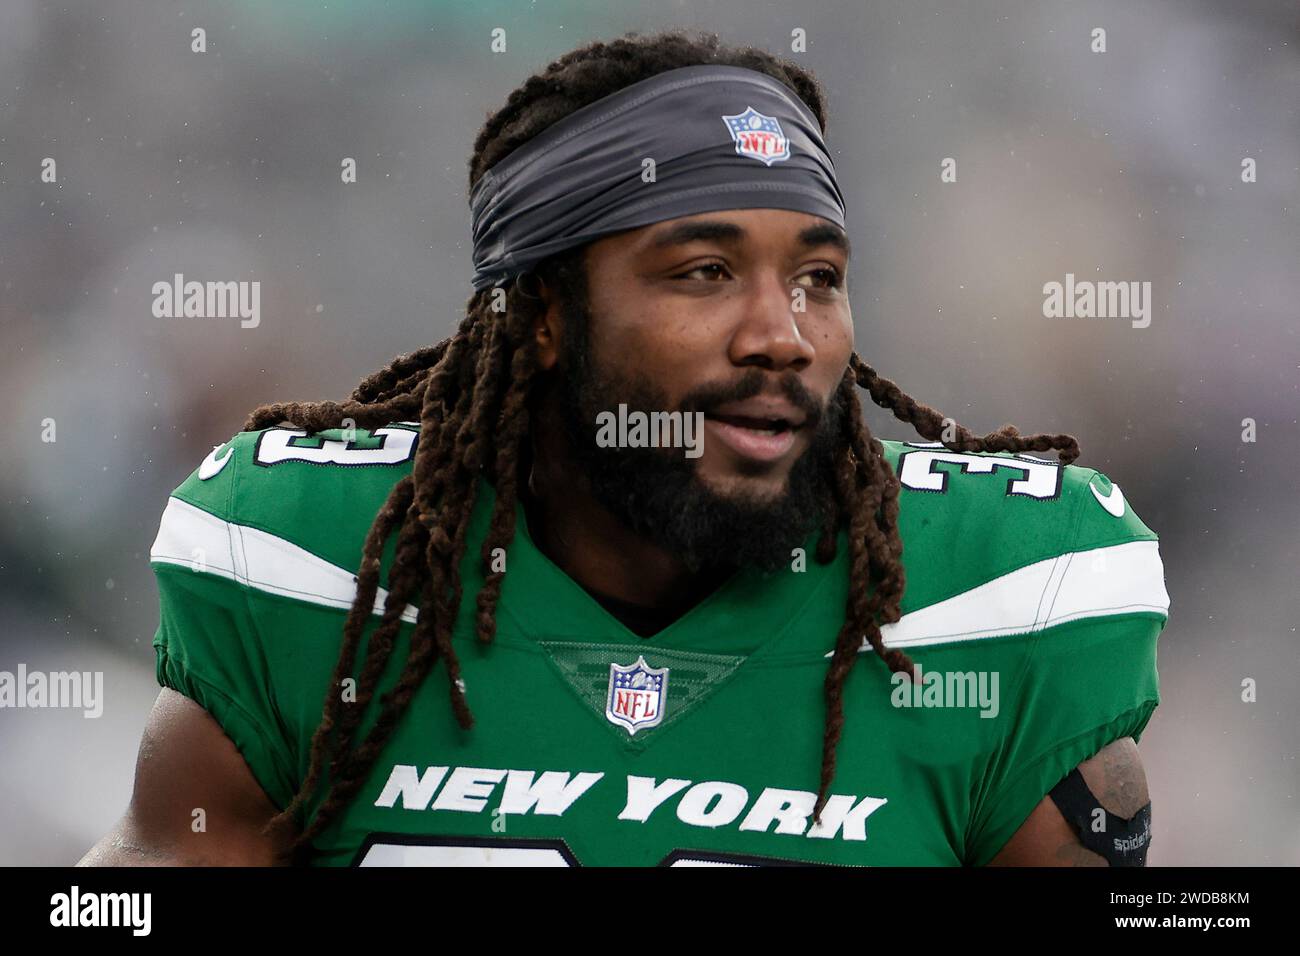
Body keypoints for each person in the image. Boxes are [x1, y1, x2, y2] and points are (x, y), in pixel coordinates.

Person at [80, 30, 1168, 867]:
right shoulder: (318, 571)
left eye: (817, 277)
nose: (780, 334)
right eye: (701, 270)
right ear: (546, 314)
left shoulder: (1003, 600)